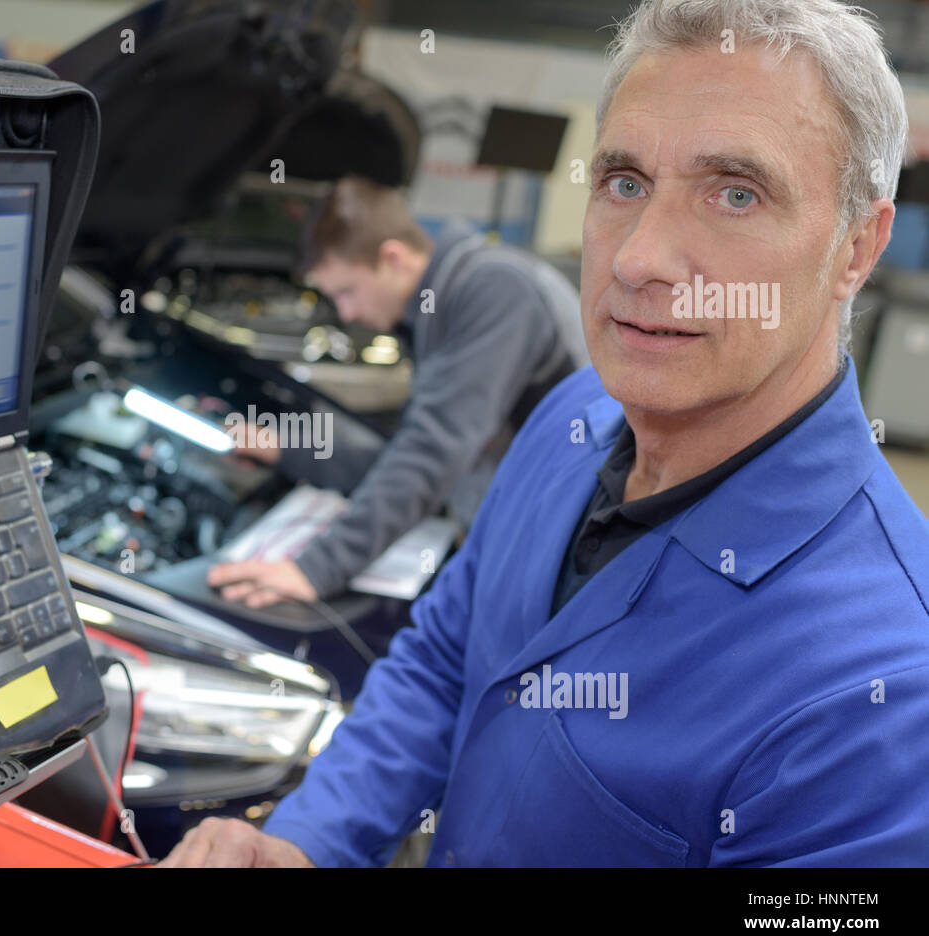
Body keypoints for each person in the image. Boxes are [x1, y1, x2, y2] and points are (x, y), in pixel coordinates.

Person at [160, 0, 929, 866]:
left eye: (736, 193)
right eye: (625, 182)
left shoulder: (888, 691)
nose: (639, 259)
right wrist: (307, 840)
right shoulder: (568, 422)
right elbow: (445, 660)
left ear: (857, 245)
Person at [209, 177, 585, 608]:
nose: (347, 313)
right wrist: (288, 450)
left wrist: (314, 570)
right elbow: (409, 449)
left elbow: (433, 451)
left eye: (347, 292)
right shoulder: (445, 301)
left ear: (393, 258)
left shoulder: (494, 290)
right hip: (513, 533)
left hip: (560, 563)